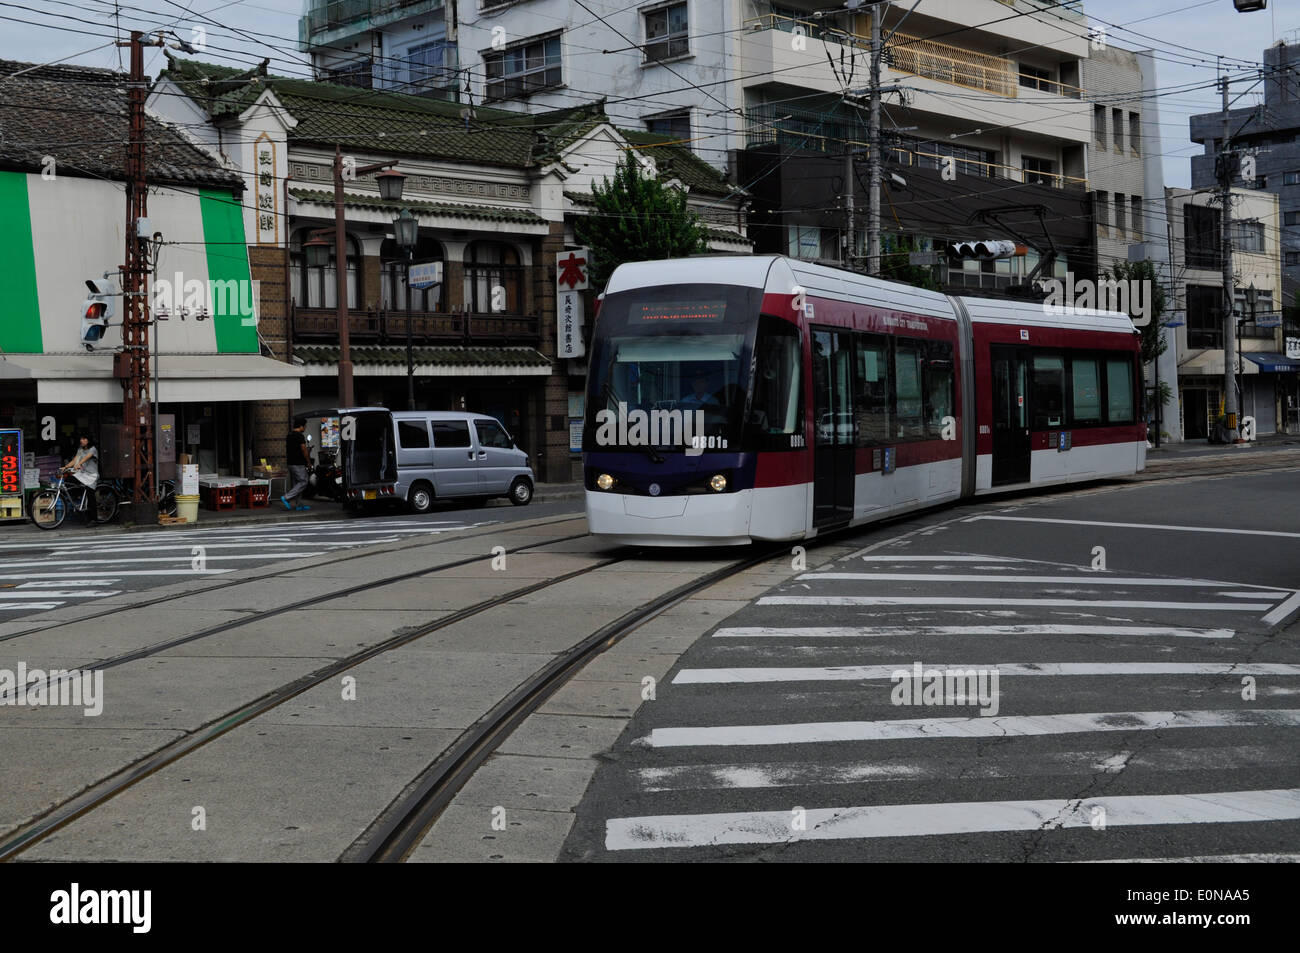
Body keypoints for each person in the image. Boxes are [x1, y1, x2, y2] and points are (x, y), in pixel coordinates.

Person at [62, 435, 100, 520]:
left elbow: (86, 458)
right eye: (81, 439)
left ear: (88, 440)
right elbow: (75, 460)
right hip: (83, 474)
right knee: (69, 480)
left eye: (84, 439)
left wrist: (79, 464)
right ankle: (79, 497)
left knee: (91, 496)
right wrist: (65, 467)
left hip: (91, 475)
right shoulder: (80, 449)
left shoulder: (92, 449)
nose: (81, 440)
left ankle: (94, 519)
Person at [281, 418, 312, 511]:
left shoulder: (289, 435)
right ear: (301, 426)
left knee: (297, 484)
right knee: (303, 481)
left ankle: (298, 505)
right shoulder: (300, 436)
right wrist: (308, 462)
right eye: (305, 426)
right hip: (298, 463)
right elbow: (303, 450)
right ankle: (286, 497)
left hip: (290, 463)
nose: (305, 428)